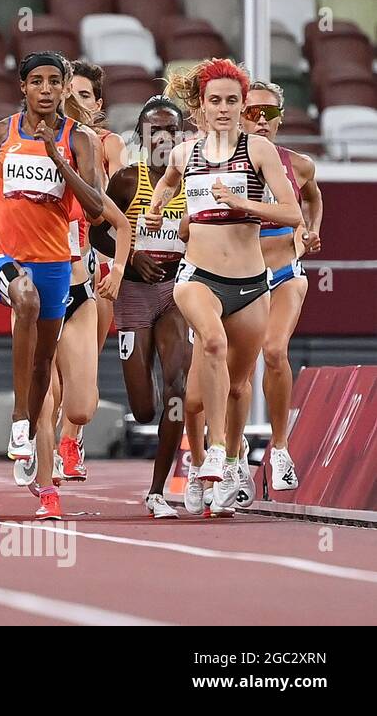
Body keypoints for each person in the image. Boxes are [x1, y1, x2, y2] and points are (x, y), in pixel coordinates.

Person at [0, 52, 122, 520]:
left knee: (49, 371)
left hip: (57, 268)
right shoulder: (1, 131)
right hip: (4, 257)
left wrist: (56, 157)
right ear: (23, 87)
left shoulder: (79, 139)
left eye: (53, 81)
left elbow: (92, 208)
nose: (45, 90)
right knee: (22, 300)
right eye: (36, 82)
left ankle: (48, 490)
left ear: (65, 87)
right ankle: (20, 423)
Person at [144, 59, 302, 516]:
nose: (225, 108)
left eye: (233, 101)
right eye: (215, 100)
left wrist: (242, 202)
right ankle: (210, 453)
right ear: (201, 105)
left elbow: (293, 215)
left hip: (252, 284)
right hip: (197, 277)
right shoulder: (183, 152)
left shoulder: (258, 152)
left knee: (234, 386)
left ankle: (229, 460)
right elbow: (168, 183)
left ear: (243, 105)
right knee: (210, 342)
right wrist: (156, 211)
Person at [91, 96, 192, 518]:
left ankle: (157, 490)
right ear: (142, 136)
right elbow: (97, 234)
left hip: (175, 291)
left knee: (178, 387)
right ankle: (150, 408)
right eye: (155, 131)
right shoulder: (129, 182)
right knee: (144, 408)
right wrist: (131, 257)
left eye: (171, 130)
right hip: (133, 295)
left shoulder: (194, 182)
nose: (163, 138)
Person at [220, 81, 319, 506]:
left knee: (276, 352)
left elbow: (312, 199)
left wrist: (311, 231)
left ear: (281, 117)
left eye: (269, 114)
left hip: (284, 271)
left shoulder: (299, 165)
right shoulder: (221, 161)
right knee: (235, 377)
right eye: (253, 112)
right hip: (241, 276)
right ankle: (234, 455)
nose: (261, 121)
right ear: (240, 114)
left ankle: (279, 449)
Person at [60, 61, 129, 471]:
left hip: (96, 262)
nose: (75, 101)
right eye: (71, 94)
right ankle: (46, 442)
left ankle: (71, 438)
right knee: (48, 366)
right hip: (50, 259)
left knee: (84, 362)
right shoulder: (42, 139)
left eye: (84, 95)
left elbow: (124, 189)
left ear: (98, 104)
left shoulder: (105, 142)